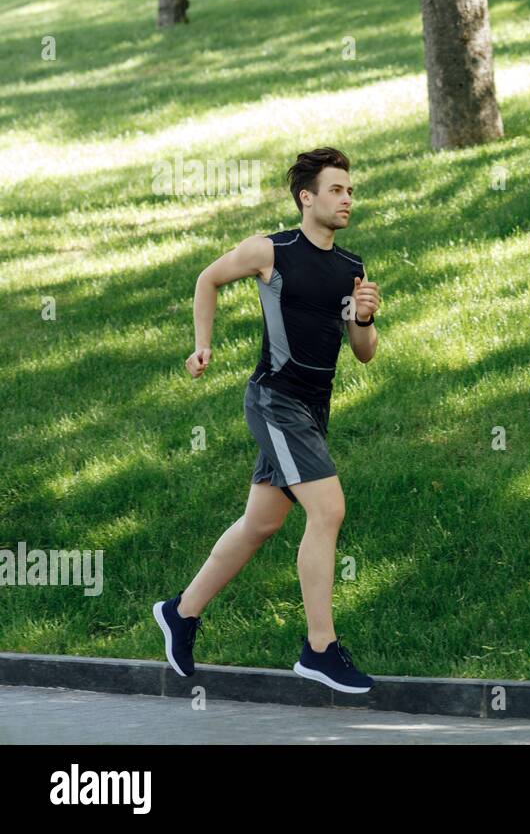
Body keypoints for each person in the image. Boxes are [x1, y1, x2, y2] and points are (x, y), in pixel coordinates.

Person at [153, 147, 380, 693]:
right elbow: (208, 279)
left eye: (350, 190)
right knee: (328, 511)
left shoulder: (352, 270)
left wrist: (366, 316)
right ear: (307, 197)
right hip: (275, 400)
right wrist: (201, 346)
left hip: (312, 409)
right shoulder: (271, 251)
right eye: (335, 190)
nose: (346, 198)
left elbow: (364, 351)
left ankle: (181, 612)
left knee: (262, 523)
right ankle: (319, 648)